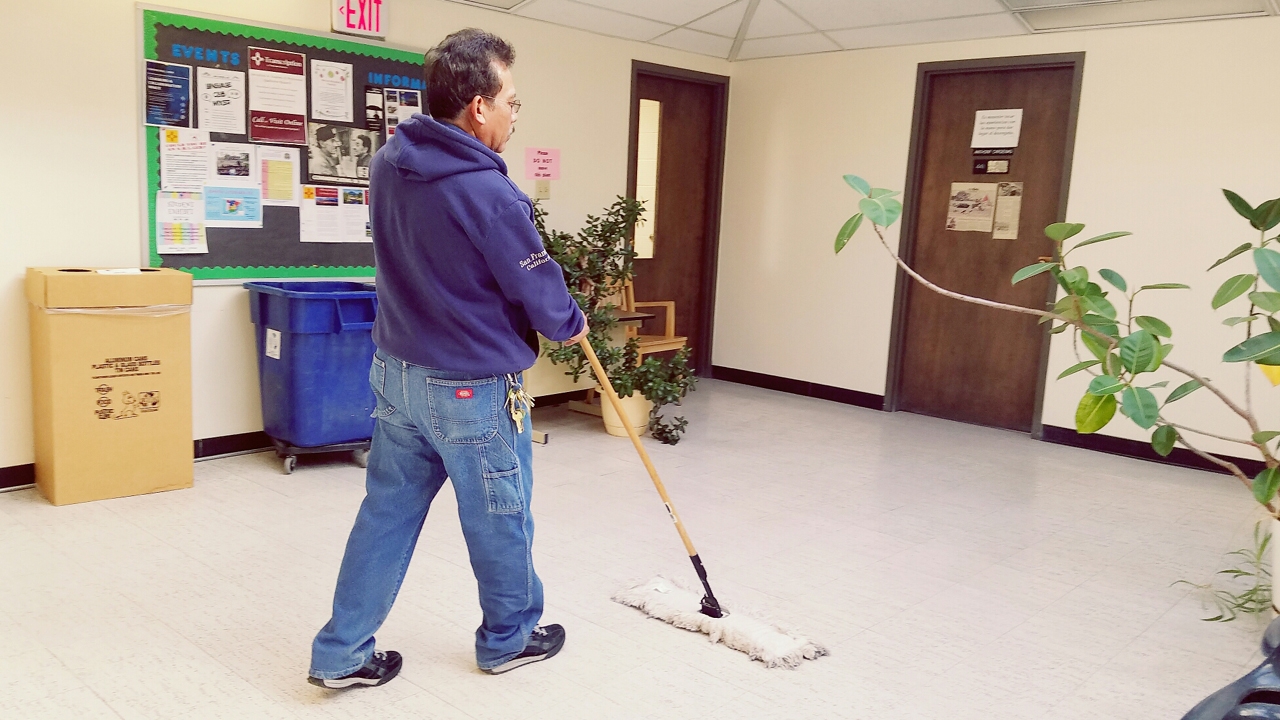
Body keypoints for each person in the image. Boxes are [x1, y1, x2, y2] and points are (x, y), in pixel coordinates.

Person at [307, 28, 587, 689]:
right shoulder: (492, 196)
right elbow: (541, 294)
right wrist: (570, 324)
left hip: (398, 375)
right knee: (500, 514)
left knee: (387, 513)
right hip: (471, 390)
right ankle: (510, 638)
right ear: (479, 107)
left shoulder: (389, 162)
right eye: (512, 103)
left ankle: (341, 653)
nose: (516, 116)